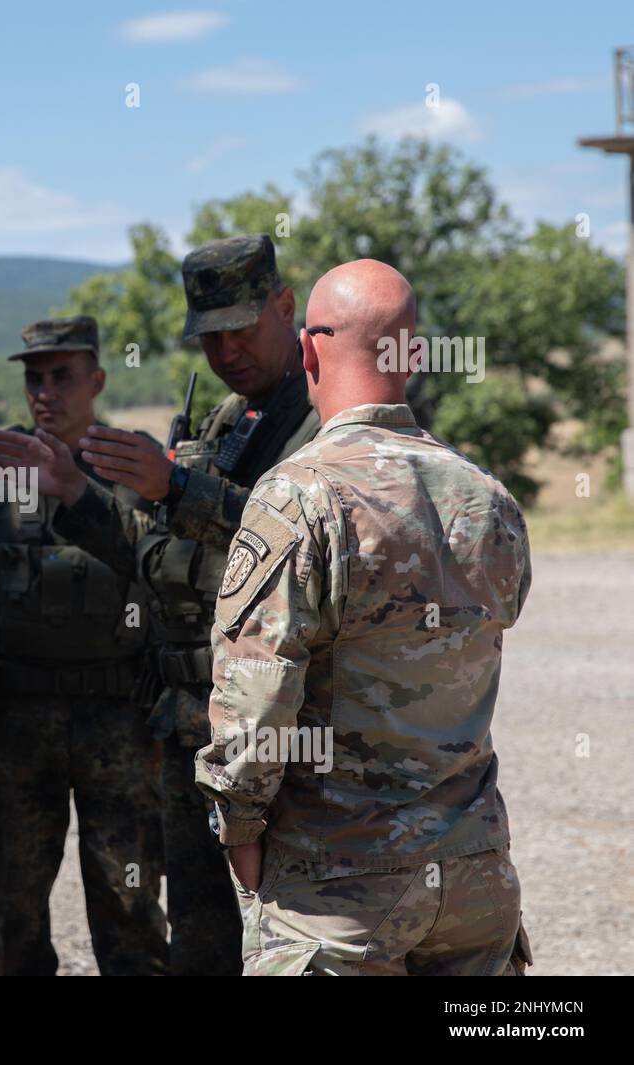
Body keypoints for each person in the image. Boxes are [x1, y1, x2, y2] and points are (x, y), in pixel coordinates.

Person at [0, 235, 318, 975]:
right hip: (193, 720)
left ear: (285, 307)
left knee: (285, 933)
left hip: (277, 724)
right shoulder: (231, 420)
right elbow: (163, 559)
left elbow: (309, 540)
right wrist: (77, 496)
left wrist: (179, 488)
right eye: (209, 335)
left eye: (240, 327)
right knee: (199, 934)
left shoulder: (319, 421)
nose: (224, 349)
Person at [198, 258, 533, 976]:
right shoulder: (490, 497)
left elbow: (255, 692)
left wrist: (240, 826)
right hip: (475, 874)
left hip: (339, 882)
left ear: (309, 349)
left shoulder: (298, 494)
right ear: (411, 354)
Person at [0, 316, 168, 976]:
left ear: (97, 379)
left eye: (63, 376)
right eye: (35, 377)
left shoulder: (135, 463)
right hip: (19, 718)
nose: (46, 391)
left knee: (131, 903)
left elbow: (174, 582)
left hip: (120, 716)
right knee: (15, 902)